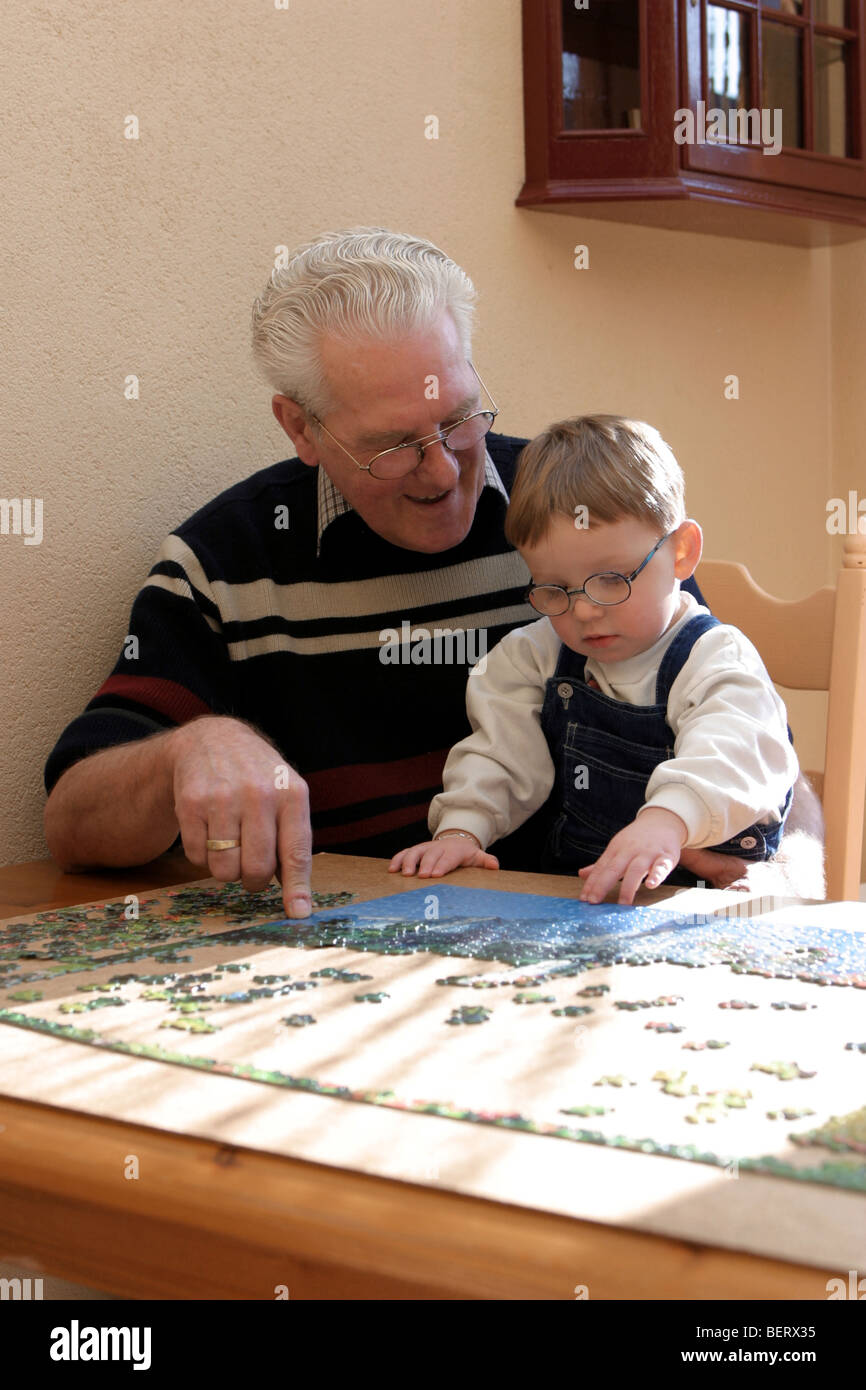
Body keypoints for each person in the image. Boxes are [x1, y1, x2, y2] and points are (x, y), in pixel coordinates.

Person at [42, 228, 823, 915]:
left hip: (609, 936)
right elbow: (72, 826)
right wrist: (186, 750)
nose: (443, 470)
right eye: (392, 446)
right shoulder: (226, 565)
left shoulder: (577, 513)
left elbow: (756, 748)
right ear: (300, 428)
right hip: (343, 960)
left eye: (458, 419)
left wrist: (788, 868)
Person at [389, 415, 799, 904]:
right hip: (586, 894)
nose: (583, 611)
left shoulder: (714, 656)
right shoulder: (532, 655)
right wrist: (462, 830)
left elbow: (735, 752)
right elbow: (499, 755)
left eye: (611, 579)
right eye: (555, 588)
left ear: (682, 552)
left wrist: (666, 821)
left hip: (710, 895)